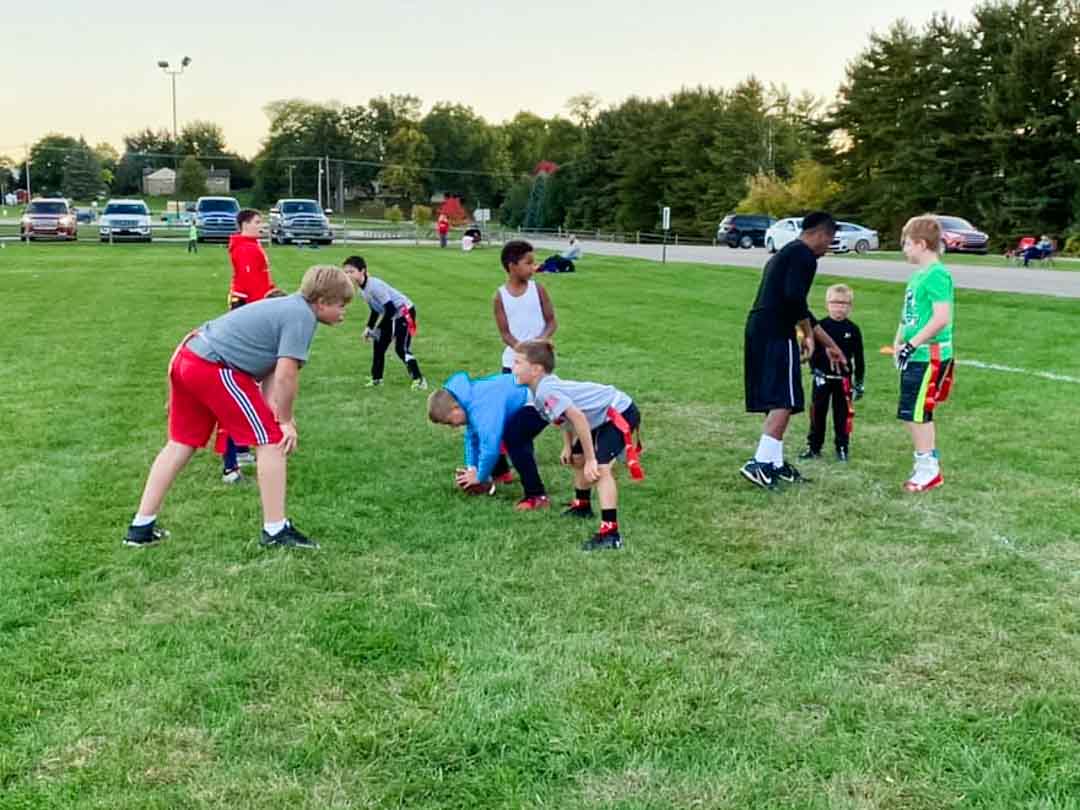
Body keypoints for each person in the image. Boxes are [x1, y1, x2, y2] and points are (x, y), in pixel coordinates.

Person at [123, 266, 354, 550]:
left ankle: (140, 527)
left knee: (180, 444)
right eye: (341, 305)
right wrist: (285, 421)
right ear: (322, 302)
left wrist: (273, 414)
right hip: (213, 366)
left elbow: (269, 373)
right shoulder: (301, 316)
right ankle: (276, 530)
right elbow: (285, 375)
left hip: (188, 357)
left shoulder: (287, 307)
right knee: (271, 441)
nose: (344, 312)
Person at [740, 211, 848, 489]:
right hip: (776, 330)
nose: (829, 247)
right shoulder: (804, 256)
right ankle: (761, 463)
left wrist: (830, 345)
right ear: (821, 234)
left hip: (760, 327)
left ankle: (775, 464)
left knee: (778, 395)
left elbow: (801, 308)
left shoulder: (786, 253)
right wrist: (807, 336)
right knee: (784, 398)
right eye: (830, 240)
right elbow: (794, 299)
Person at [512, 339, 643, 552]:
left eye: (517, 363)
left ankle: (611, 533)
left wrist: (592, 459)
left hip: (619, 412)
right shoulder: (538, 389)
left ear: (536, 369)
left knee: (600, 468)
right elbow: (564, 418)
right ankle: (582, 507)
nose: (513, 368)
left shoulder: (546, 391)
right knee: (576, 457)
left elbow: (579, 418)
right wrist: (568, 446)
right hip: (600, 417)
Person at [893, 215, 955, 492]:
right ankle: (924, 464)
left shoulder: (937, 274)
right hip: (915, 354)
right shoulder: (918, 276)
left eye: (906, 243)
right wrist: (898, 341)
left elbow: (941, 318)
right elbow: (909, 316)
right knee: (910, 411)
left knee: (917, 413)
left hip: (928, 356)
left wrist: (912, 344)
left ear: (920, 243)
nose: (904, 248)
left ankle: (928, 468)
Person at [218, 209, 280, 484]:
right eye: (257, 222)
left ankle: (241, 450)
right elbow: (247, 289)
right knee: (239, 392)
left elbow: (261, 285)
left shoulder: (252, 246)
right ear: (244, 224)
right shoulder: (244, 249)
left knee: (250, 389)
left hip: (256, 318)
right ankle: (230, 466)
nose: (261, 225)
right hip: (249, 321)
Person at [427, 372, 549, 503]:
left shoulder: (480, 408)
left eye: (449, 422)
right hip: (529, 397)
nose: (452, 426)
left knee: (514, 438)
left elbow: (490, 448)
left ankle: (536, 495)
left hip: (542, 397)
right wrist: (472, 468)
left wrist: (479, 477)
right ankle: (501, 474)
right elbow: (472, 439)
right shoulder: (468, 400)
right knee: (500, 433)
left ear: (456, 408)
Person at [799, 284, 865, 462]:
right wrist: (816, 371)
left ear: (850, 306)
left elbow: (859, 358)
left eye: (844, 304)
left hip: (843, 382)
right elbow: (811, 351)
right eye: (835, 303)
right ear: (827, 304)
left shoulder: (853, 330)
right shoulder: (819, 327)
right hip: (822, 379)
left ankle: (842, 447)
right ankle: (814, 447)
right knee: (817, 414)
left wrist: (859, 382)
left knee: (842, 416)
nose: (839, 307)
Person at [342, 256, 427, 390]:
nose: (348, 275)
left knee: (401, 348)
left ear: (362, 271)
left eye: (351, 271)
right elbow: (376, 310)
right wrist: (369, 328)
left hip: (406, 312)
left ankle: (419, 380)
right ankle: (377, 379)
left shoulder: (374, 286)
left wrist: (378, 328)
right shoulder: (362, 290)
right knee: (379, 344)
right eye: (345, 272)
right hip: (392, 313)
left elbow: (390, 309)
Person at [495, 240, 558, 373]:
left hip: (539, 363)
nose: (533, 267)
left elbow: (551, 322)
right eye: (528, 263)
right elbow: (505, 333)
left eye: (533, 263)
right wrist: (522, 348)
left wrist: (541, 340)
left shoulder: (538, 289)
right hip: (513, 363)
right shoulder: (500, 296)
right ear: (512, 266)